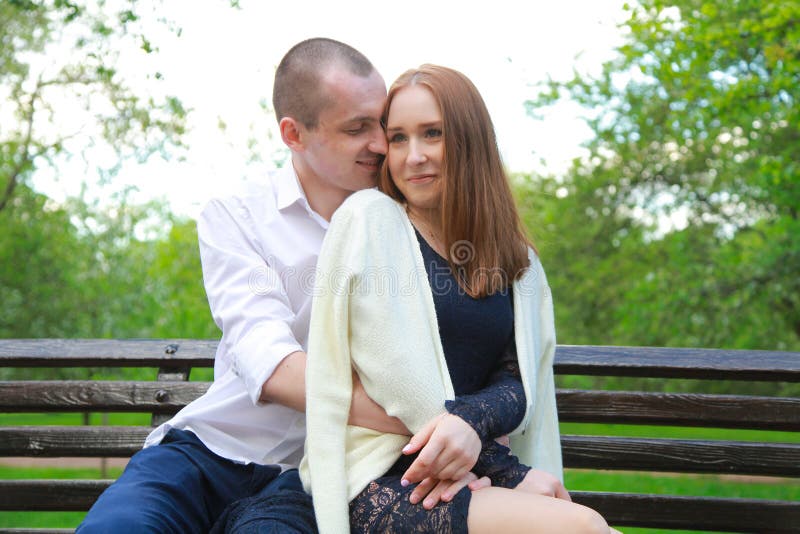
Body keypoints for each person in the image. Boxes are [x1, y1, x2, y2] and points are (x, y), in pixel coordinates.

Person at [77, 38, 456, 534]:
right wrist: (425, 422)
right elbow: (270, 363)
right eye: (356, 128)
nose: (383, 145)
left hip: (313, 478)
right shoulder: (238, 216)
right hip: (209, 452)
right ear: (294, 134)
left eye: (380, 123)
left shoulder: (411, 222)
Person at [297, 65, 620, 533]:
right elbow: (397, 376)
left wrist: (471, 428)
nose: (414, 156)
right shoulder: (370, 220)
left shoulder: (516, 259)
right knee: (583, 527)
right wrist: (507, 472)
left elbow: (518, 382)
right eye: (399, 138)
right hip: (383, 480)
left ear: (470, 140)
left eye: (433, 134)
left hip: (470, 477)